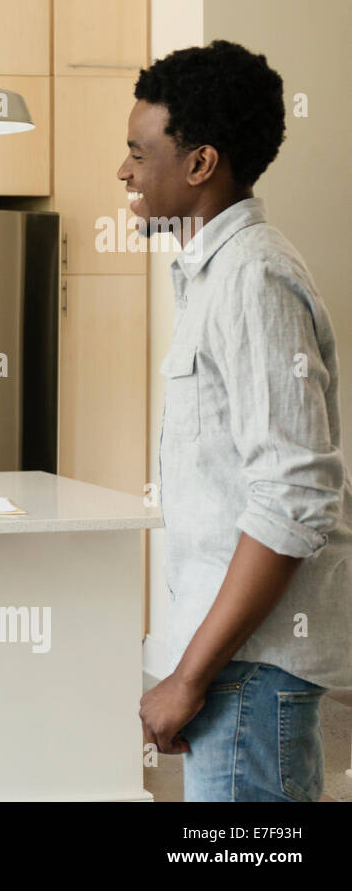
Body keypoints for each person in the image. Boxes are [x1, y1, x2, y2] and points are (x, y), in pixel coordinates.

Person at [123, 40, 352, 801]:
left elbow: (294, 498)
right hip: (238, 666)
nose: (124, 172)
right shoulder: (213, 275)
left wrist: (188, 678)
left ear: (199, 164)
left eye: (137, 150)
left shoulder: (253, 277)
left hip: (248, 671)